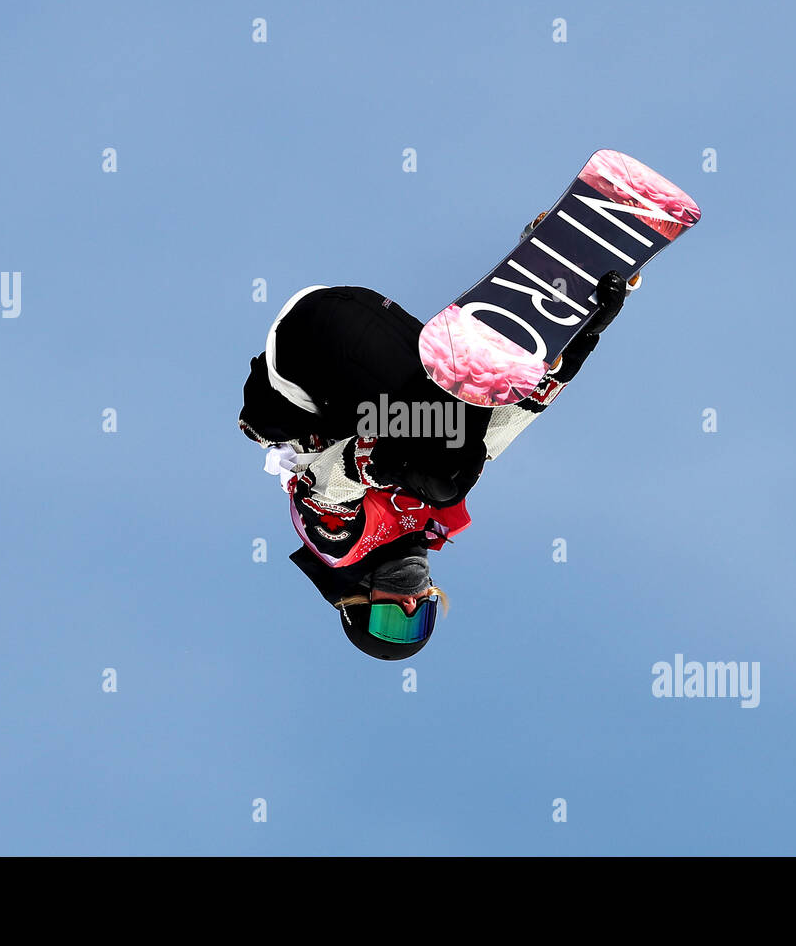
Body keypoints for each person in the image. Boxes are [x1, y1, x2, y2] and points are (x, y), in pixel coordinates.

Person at [239, 217, 636, 660]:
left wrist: (393, 459)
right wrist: (581, 336)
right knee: (467, 452)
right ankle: (546, 294)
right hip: (365, 337)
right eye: (422, 616)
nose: (412, 603)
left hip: (306, 353)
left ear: (354, 605)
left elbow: (333, 484)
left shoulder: (340, 546)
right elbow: (509, 422)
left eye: (392, 619)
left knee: (444, 470)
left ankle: (469, 373)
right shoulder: (430, 518)